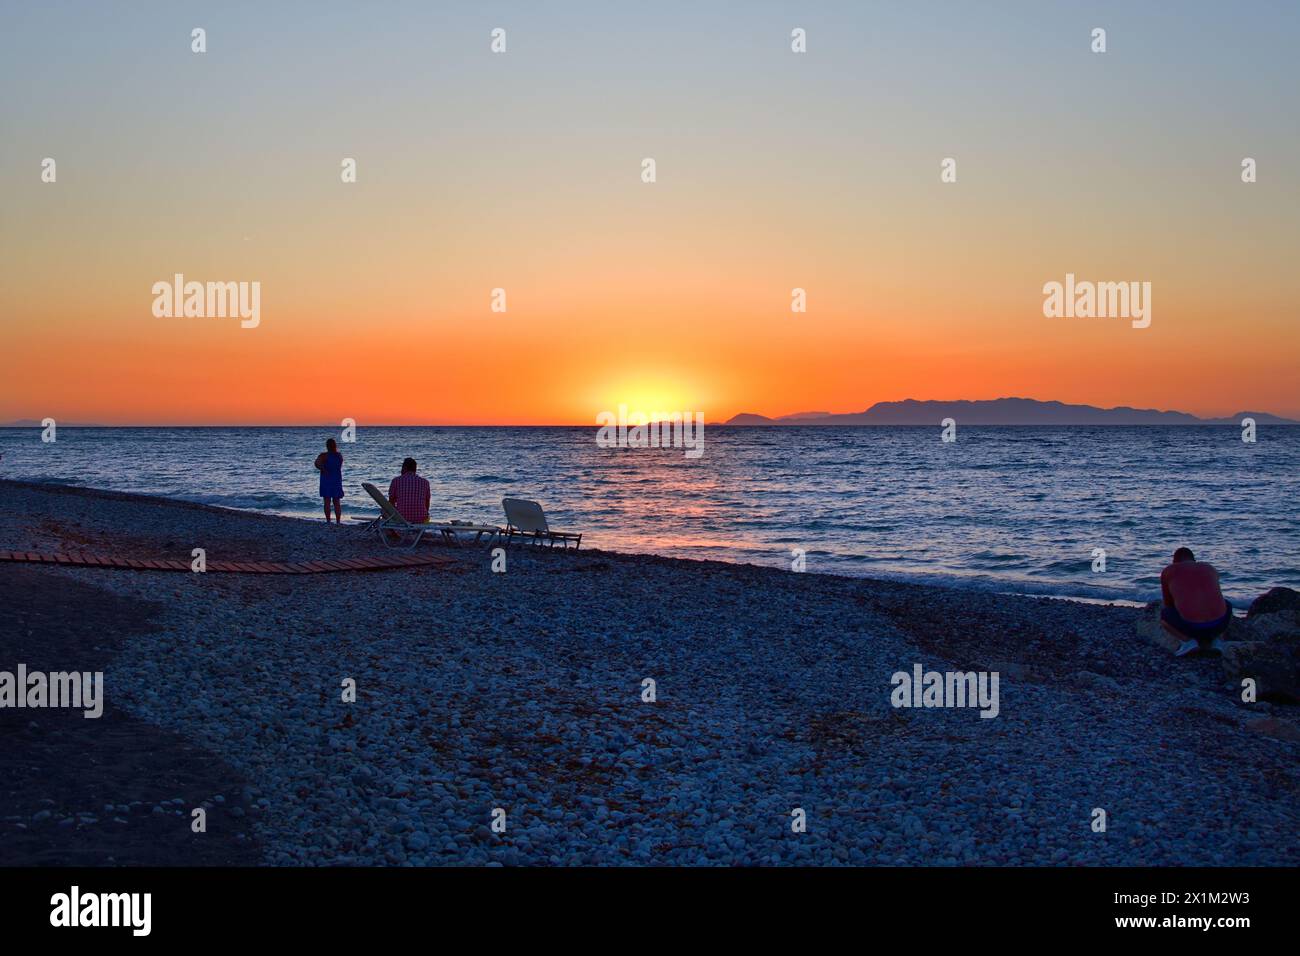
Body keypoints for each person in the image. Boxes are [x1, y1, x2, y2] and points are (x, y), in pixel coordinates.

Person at [1160, 547, 1232, 657]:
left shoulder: (1169, 570)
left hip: (1192, 629)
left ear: (1175, 561)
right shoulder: (1210, 568)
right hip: (1218, 626)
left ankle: (1188, 642)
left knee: (1164, 614)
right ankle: (1216, 641)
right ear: (1194, 559)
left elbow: (1168, 604)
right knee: (1227, 604)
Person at [388, 457, 430, 524]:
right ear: (415, 469)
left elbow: (391, 502)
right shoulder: (425, 482)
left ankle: (394, 534)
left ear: (404, 468)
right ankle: (419, 532)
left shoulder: (396, 481)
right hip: (421, 520)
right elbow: (427, 502)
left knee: (385, 511)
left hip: (402, 518)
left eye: (402, 467)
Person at [314, 438, 344, 524]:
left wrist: (323, 468)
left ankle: (328, 521)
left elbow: (316, 463)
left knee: (327, 501)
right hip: (336, 480)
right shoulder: (339, 456)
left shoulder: (324, 456)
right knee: (336, 502)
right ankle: (338, 521)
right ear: (335, 446)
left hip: (326, 480)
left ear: (327, 446)